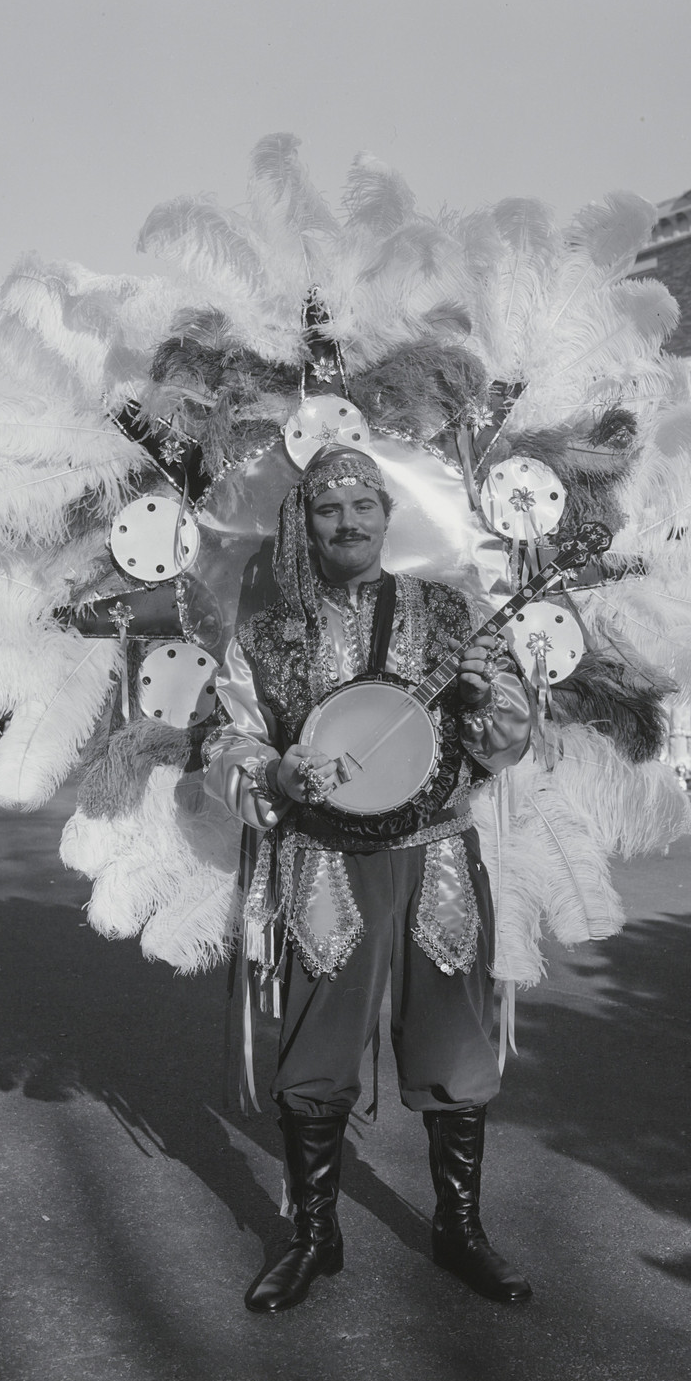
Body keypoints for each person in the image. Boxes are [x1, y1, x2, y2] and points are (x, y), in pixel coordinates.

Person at [204, 445, 534, 1312]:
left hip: (437, 854)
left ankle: (459, 1231)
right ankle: (315, 1237)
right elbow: (227, 741)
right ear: (300, 522)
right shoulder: (266, 636)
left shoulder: (450, 612)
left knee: (454, 1048)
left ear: (388, 516)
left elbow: (505, 742)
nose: (348, 524)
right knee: (313, 1053)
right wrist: (275, 773)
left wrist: (481, 703)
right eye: (327, 509)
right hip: (322, 859)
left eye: (363, 507)